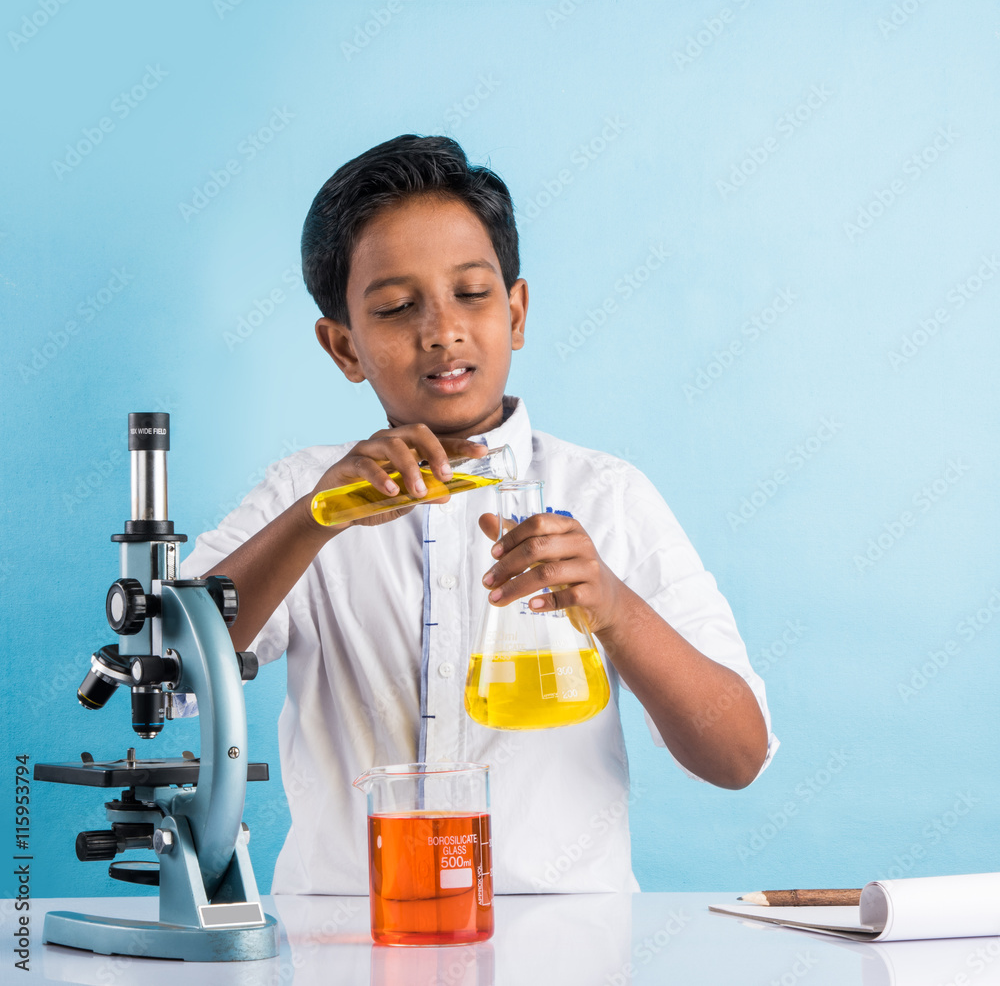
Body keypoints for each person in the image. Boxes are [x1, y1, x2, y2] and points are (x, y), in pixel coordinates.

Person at [183, 134, 778, 894]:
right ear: (343, 347)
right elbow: (171, 668)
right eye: (397, 307)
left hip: (567, 951)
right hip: (349, 946)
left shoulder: (607, 494)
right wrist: (318, 518)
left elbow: (737, 755)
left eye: (471, 293)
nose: (442, 329)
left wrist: (616, 608)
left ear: (516, 311)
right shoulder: (307, 495)